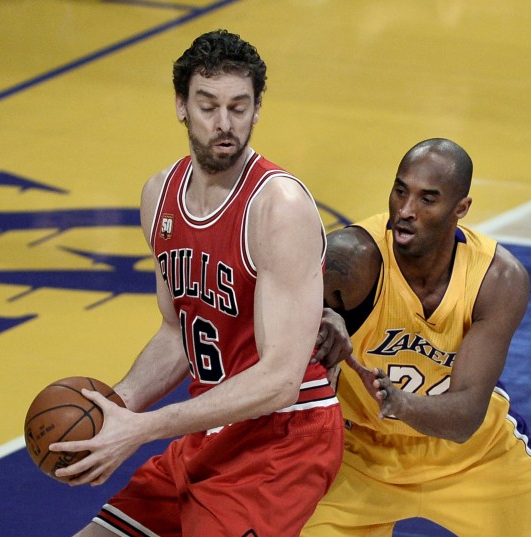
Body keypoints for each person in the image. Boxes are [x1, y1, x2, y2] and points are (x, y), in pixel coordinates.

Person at [50, 29, 343, 537]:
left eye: (239, 106)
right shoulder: (159, 195)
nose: (224, 124)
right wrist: (114, 409)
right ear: (181, 106)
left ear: (257, 110)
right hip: (213, 427)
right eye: (208, 106)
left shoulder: (279, 208)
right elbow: (177, 333)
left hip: (284, 439)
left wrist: (142, 430)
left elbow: (279, 380)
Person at [304, 138, 531, 536]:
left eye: (428, 199)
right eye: (400, 191)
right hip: (359, 454)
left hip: (473, 455)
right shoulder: (351, 260)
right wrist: (318, 319)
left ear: (461, 209)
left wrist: (398, 402)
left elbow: (464, 419)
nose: (405, 211)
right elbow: (260, 319)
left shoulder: (497, 279)